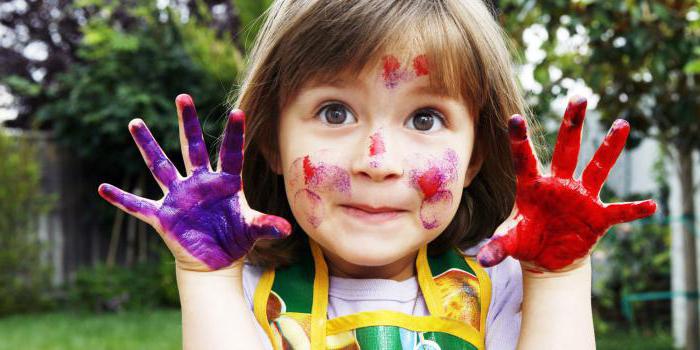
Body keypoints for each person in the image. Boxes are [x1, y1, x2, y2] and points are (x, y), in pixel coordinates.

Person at [97, 0, 657, 349]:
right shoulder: (245, 298)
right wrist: (205, 278)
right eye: (335, 112)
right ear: (270, 140)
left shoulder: (504, 291)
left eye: (425, 118)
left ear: (475, 157)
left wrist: (559, 277)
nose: (378, 160)